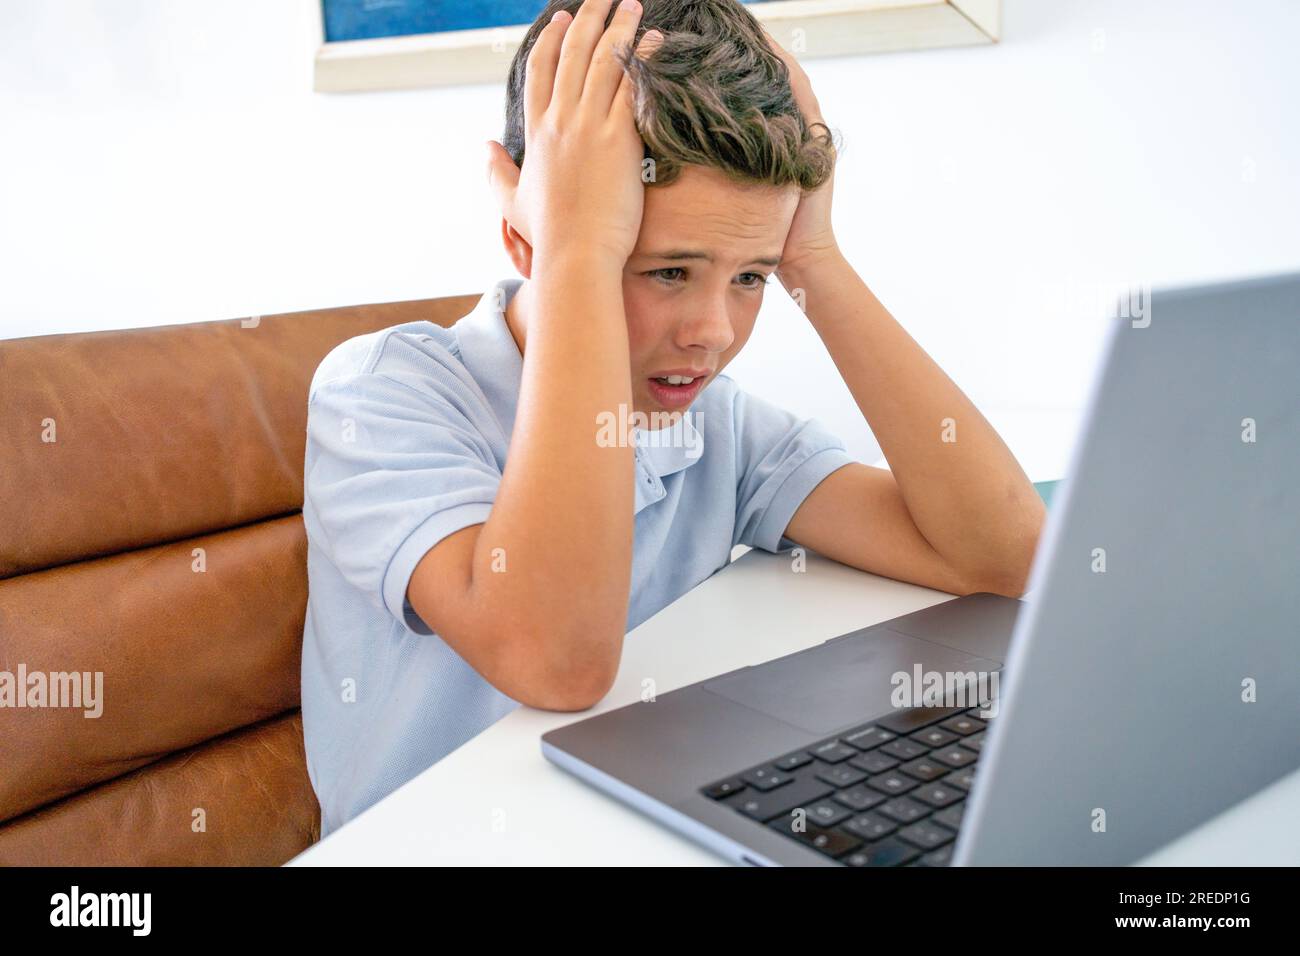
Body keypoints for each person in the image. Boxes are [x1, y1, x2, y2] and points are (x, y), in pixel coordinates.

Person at [300, 0, 1044, 836]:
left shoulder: (711, 421)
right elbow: (555, 661)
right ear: (522, 235)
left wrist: (813, 258)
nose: (714, 333)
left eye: (750, 278)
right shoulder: (382, 396)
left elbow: (995, 558)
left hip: (620, 830)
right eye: (666, 272)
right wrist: (579, 249)